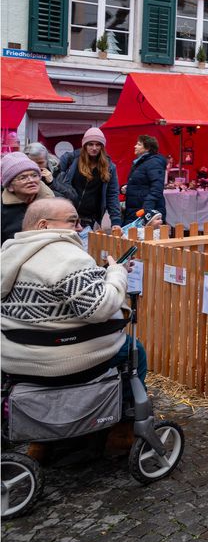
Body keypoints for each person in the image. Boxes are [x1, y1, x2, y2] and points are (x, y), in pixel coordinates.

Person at [1, 197, 147, 386]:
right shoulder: (68, 256)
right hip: (62, 363)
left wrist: (102, 275)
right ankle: (126, 412)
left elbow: (58, 288)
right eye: (73, 221)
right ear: (44, 225)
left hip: (14, 359)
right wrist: (117, 272)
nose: (79, 228)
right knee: (135, 350)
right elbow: (100, 308)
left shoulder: (8, 253)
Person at [57, 128, 123, 231]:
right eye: (90, 144)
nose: (94, 148)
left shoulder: (109, 167)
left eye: (98, 144)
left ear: (102, 147)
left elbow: (112, 195)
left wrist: (115, 221)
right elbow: (58, 185)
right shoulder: (71, 160)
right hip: (67, 215)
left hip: (90, 219)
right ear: (84, 146)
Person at [2, 152, 55, 244]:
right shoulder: (3, 211)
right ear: (10, 186)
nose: (31, 180)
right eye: (23, 178)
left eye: (34, 175)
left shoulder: (55, 203)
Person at [123, 135, 167, 225]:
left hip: (145, 210)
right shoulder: (141, 162)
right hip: (137, 208)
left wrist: (147, 209)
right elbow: (140, 183)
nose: (135, 146)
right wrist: (126, 188)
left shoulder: (154, 162)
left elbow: (157, 188)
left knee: (143, 237)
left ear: (147, 148)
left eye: (139, 144)